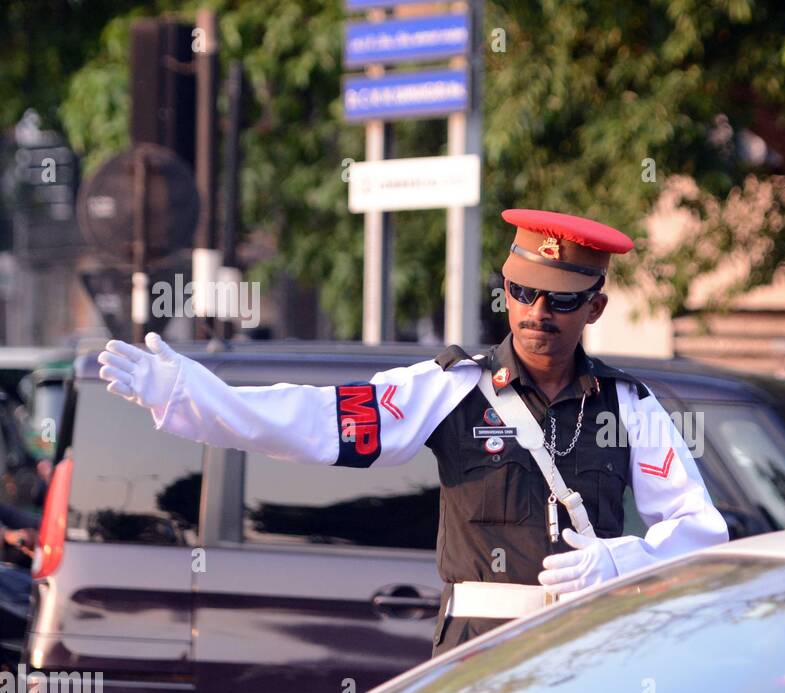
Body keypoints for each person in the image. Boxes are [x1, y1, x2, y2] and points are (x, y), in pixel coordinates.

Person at [97, 209, 728, 652]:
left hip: (588, 646)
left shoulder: (629, 405)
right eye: (524, 291)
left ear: (596, 306)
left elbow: (702, 532)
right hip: (475, 655)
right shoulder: (451, 388)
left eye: (561, 300)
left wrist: (630, 559)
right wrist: (194, 396)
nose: (538, 313)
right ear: (505, 290)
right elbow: (318, 423)